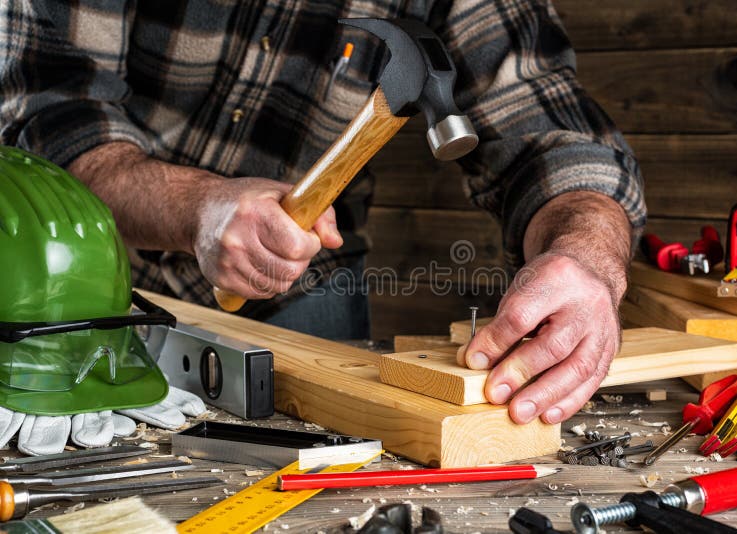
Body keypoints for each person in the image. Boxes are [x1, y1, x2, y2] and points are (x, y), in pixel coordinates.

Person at [0, 1, 645, 426]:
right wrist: (194, 207)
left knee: (331, 466)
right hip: (85, 266)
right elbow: (43, 105)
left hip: (307, 271)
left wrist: (587, 254)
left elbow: (545, 124)